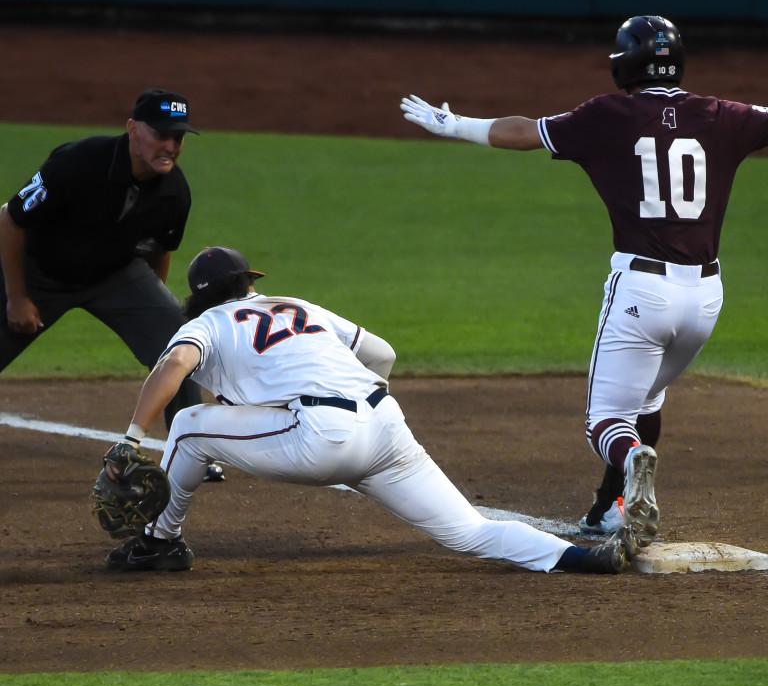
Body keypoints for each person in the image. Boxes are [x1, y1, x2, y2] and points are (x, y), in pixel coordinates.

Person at [401, 15, 768, 553]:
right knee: (647, 398)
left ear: (624, 65)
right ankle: (611, 506)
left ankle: (632, 460)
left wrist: (453, 123)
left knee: (605, 422)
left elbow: (524, 132)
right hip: (705, 300)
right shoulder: (724, 115)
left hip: (642, 293)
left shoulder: (607, 116)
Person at [101, 246, 630, 575]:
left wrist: (131, 437)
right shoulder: (299, 307)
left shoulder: (207, 323)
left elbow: (174, 366)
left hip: (319, 438)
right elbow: (383, 354)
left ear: (197, 298)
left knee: (188, 427)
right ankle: (585, 558)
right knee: (469, 531)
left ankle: (159, 542)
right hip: (386, 427)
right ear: (249, 285)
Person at [1, 89, 221, 481]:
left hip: (115, 275)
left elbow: (159, 250)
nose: (171, 146)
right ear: (133, 130)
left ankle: (190, 453)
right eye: (161, 134)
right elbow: (11, 220)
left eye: (178, 137)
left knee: (180, 342)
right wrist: (17, 296)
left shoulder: (174, 191)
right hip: (38, 272)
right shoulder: (78, 163)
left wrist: (152, 312)